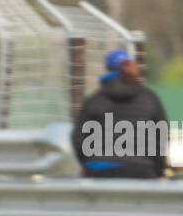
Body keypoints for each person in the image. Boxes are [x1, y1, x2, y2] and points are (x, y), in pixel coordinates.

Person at [71, 48, 168, 178]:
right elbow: (160, 137)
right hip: (140, 170)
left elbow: (78, 139)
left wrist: (88, 163)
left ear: (108, 69)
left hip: (98, 170)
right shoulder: (149, 98)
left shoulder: (95, 99)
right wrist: (158, 170)